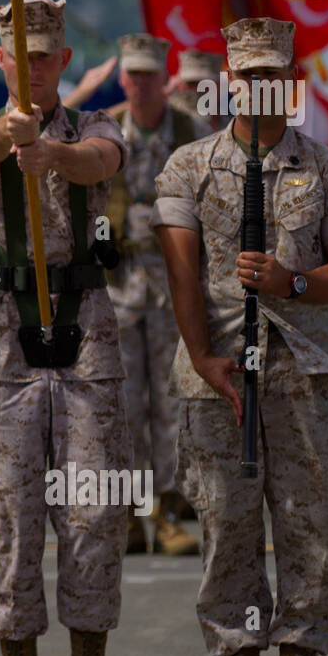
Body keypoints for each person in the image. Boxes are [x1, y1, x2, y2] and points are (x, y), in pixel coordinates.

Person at [153, 17, 328, 656]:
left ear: (291, 83)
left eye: (270, 76)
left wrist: (292, 281)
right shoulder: (188, 166)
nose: (258, 87)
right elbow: (180, 275)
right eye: (246, 76)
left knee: (313, 537)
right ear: (228, 83)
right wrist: (200, 357)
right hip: (219, 380)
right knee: (227, 538)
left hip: (307, 379)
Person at [0, 0, 130, 656]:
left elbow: (101, 162)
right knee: (12, 520)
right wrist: (12, 136)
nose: (32, 67)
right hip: (4, 345)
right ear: (2, 60)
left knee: (92, 518)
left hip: (84, 337)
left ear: (64, 59)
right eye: (19, 57)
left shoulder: (94, 123)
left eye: (44, 56)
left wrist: (48, 151)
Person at [105, 33, 207, 556]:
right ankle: (127, 514)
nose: (141, 84)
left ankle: (167, 510)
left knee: (172, 401)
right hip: (119, 284)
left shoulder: (192, 133)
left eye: (149, 74)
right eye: (133, 74)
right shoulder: (105, 132)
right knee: (122, 403)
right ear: (122, 77)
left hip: (172, 285)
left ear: (163, 79)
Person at [170, 49, 227, 131]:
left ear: (219, 85)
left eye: (205, 84)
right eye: (191, 83)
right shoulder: (169, 120)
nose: (198, 89)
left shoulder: (235, 123)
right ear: (179, 85)